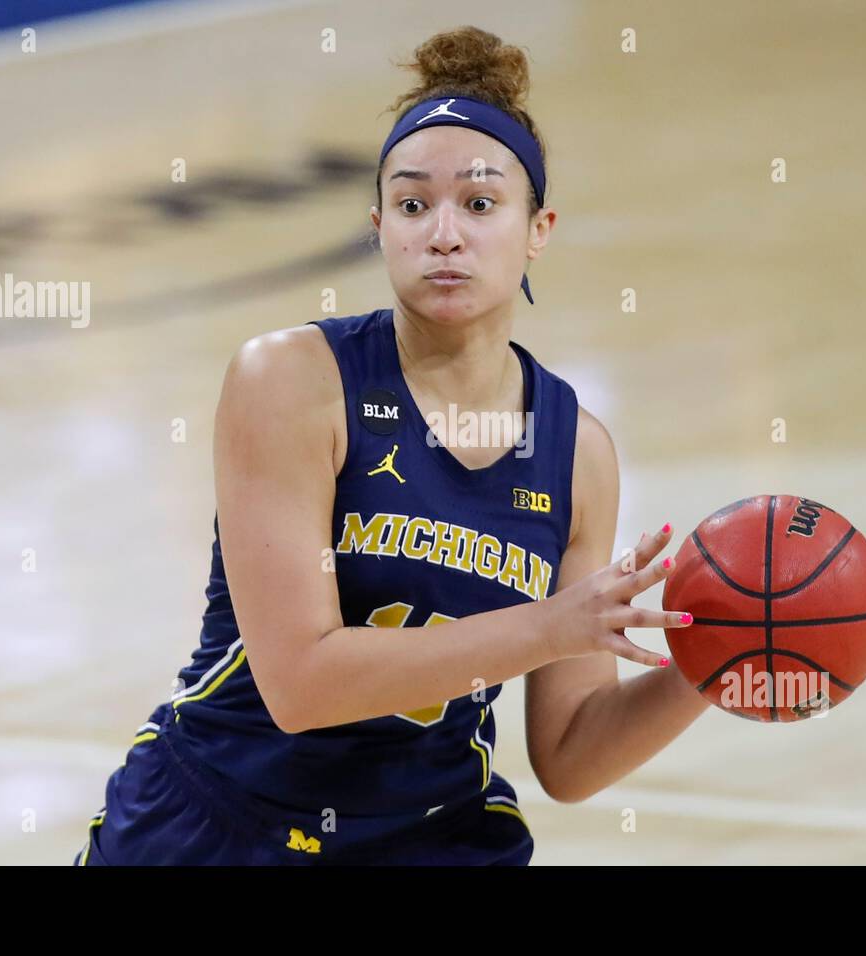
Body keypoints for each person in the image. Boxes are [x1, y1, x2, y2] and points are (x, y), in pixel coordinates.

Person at [75, 25, 708, 867]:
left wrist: (716, 668)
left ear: (539, 228)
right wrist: (553, 627)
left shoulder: (576, 452)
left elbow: (572, 753)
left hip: (430, 840)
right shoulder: (292, 380)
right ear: (379, 226)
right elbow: (303, 684)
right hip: (225, 828)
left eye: (480, 205)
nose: (443, 234)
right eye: (413, 205)